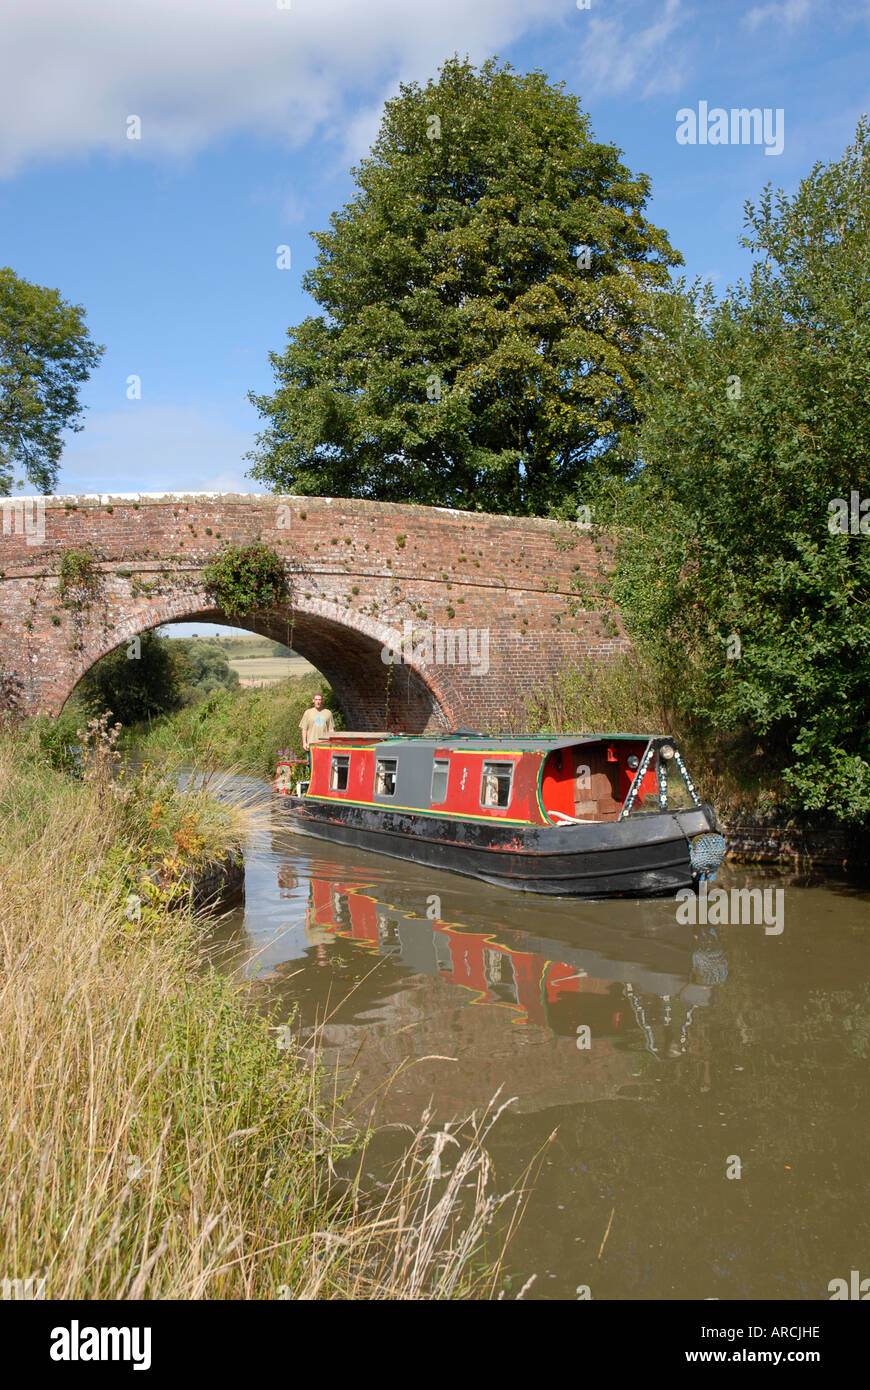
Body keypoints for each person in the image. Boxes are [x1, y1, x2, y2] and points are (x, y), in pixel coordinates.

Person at [299, 693, 335, 764]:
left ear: (322, 701)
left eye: (320, 699)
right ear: (313, 700)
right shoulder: (308, 713)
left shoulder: (328, 713)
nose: (318, 701)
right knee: (313, 766)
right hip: (312, 744)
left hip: (324, 745)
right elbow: (304, 729)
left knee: (324, 765)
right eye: (316, 699)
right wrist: (304, 743)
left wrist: (333, 742)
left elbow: (331, 729)